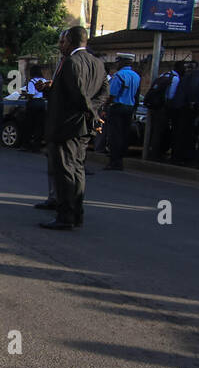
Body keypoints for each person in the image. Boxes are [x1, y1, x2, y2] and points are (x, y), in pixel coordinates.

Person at [40, 26, 108, 230]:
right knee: (78, 170)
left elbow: (78, 94)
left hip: (66, 125)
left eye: (63, 42)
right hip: (83, 126)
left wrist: (90, 112)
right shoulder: (98, 63)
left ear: (70, 41)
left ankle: (65, 216)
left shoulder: (71, 62)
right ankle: (77, 214)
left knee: (65, 171)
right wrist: (92, 112)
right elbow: (104, 92)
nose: (61, 46)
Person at [104, 53, 140, 170]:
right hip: (129, 108)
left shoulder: (118, 76)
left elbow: (112, 95)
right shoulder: (136, 76)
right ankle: (120, 159)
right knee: (124, 134)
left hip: (117, 108)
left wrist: (105, 106)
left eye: (118, 62)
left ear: (122, 62)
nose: (116, 64)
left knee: (114, 135)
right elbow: (137, 95)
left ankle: (114, 161)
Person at [144, 64, 179, 161]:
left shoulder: (162, 75)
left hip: (153, 107)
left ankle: (151, 151)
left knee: (154, 130)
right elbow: (171, 96)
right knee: (159, 131)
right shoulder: (175, 79)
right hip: (162, 108)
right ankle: (156, 154)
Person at [24, 63, 47, 151]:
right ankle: (37, 145)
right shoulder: (44, 80)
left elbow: (31, 94)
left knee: (29, 124)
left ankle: (27, 144)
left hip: (33, 103)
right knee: (39, 125)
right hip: (42, 103)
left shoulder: (32, 81)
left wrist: (25, 94)